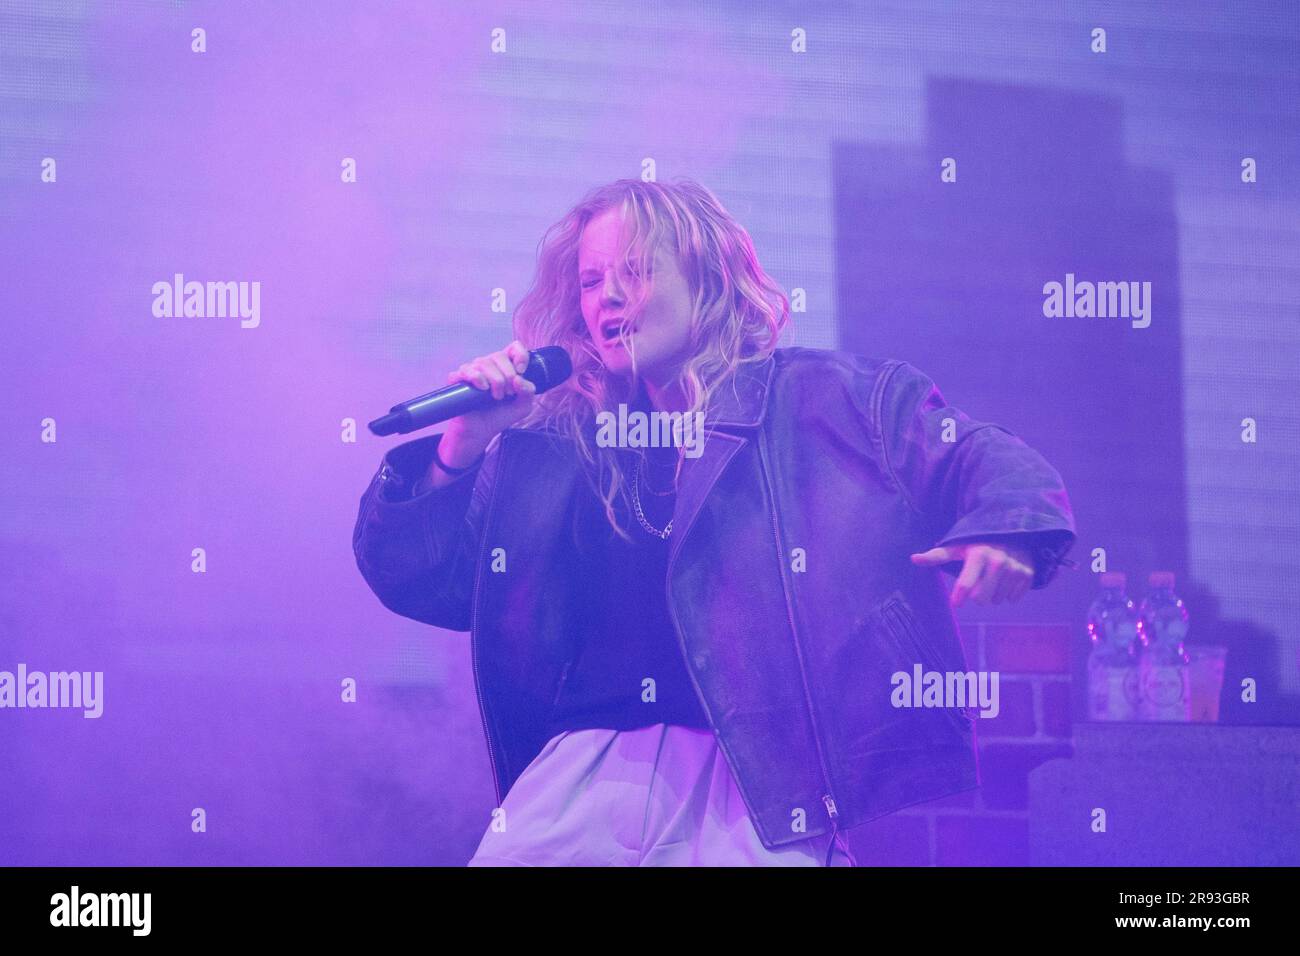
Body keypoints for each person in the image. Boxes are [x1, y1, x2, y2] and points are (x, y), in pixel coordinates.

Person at [352, 178, 1077, 866]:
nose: (607, 298)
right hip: (579, 780)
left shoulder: (822, 401)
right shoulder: (561, 445)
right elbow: (425, 585)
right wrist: (461, 446)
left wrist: (1008, 527)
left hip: (758, 784)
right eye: (590, 281)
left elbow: (976, 453)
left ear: (706, 274)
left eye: (632, 272)